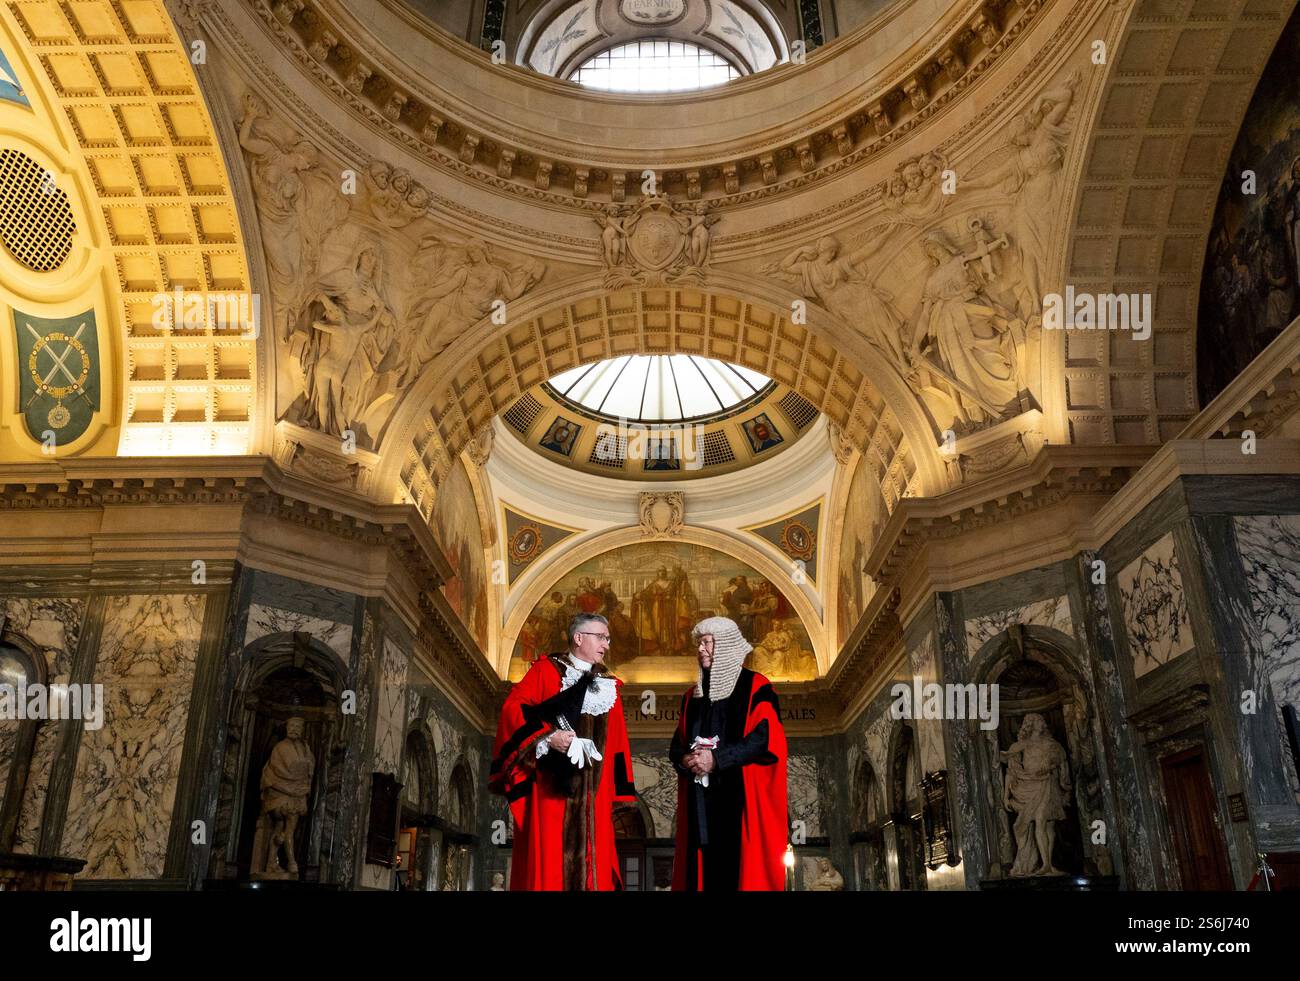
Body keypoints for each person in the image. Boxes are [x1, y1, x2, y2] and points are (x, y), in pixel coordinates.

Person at [490, 613, 637, 890]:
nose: (606, 644)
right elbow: (513, 710)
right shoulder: (546, 671)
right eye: (601, 637)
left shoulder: (609, 684)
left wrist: (615, 792)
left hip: (595, 799)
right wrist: (548, 737)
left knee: (596, 870)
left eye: (608, 638)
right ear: (578, 638)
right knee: (551, 870)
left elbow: (618, 743)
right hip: (552, 794)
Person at [669, 617, 788, 890]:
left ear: (726, 645)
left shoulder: (757, 687)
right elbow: (677, 745)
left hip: (740, 800)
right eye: (699, 644)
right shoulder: (692, 697)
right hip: (701, 806)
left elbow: (764, 740)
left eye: (707, 642)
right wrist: (687, 759)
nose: (700, 649)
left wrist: (716, 760)